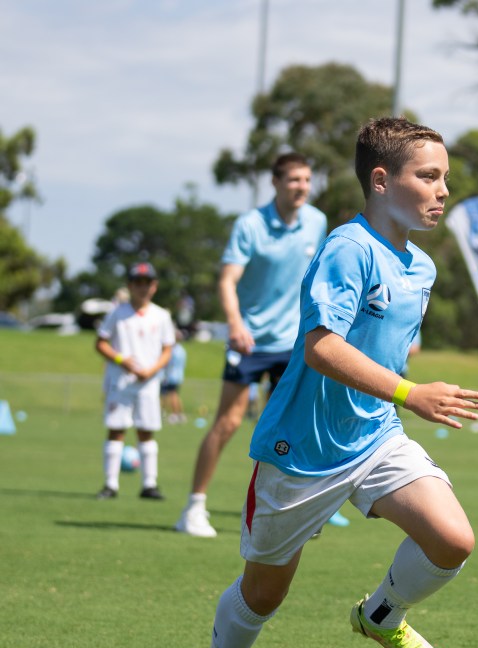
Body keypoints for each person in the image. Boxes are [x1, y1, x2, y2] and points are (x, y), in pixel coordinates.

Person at [193, 117, 478, 648]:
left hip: (375, 437)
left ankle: (382, 614)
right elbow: (323, 347)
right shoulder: (347, 247)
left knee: (452, 540)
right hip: (299, 451)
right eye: (428, 176)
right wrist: (413, 394)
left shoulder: (422, 269)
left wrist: (400, 396)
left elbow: (383, 354)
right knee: (264, 595)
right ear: (381, 181)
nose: (442, 191)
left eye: (446, 179)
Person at [174, 153, 328, 538]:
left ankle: (293, 509)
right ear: (275, 183)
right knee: (226, 423)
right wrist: (235, 324)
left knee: (296, 428)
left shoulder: (317, 222)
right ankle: (193, 508)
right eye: (294, 180)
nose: (301, 187)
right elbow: (227, 281)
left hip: (295, 343)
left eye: (307, 180)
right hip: (250, 341)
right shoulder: (251, 225)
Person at [94, 262, 176, 500]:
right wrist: (122, 360)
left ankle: (149, 484)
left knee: (146, 431)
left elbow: (167, 349)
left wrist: (151, 370)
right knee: (116, 429)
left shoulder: (161, 315)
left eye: (147, 283)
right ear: (130, 286)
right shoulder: (117, 313)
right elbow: (101, 343)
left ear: (154, 286)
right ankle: (110, 484)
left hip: (148, 384)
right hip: (121, 382)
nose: (143, 287)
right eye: (138, 283)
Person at [161, 330, 188, 424]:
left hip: (172, 376)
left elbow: (167, 362)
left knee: (173, 395)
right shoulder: (181, 350)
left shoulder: (175, 350)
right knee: (173, 395)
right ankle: (178, 414)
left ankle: (175, 414)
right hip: (177, 376)